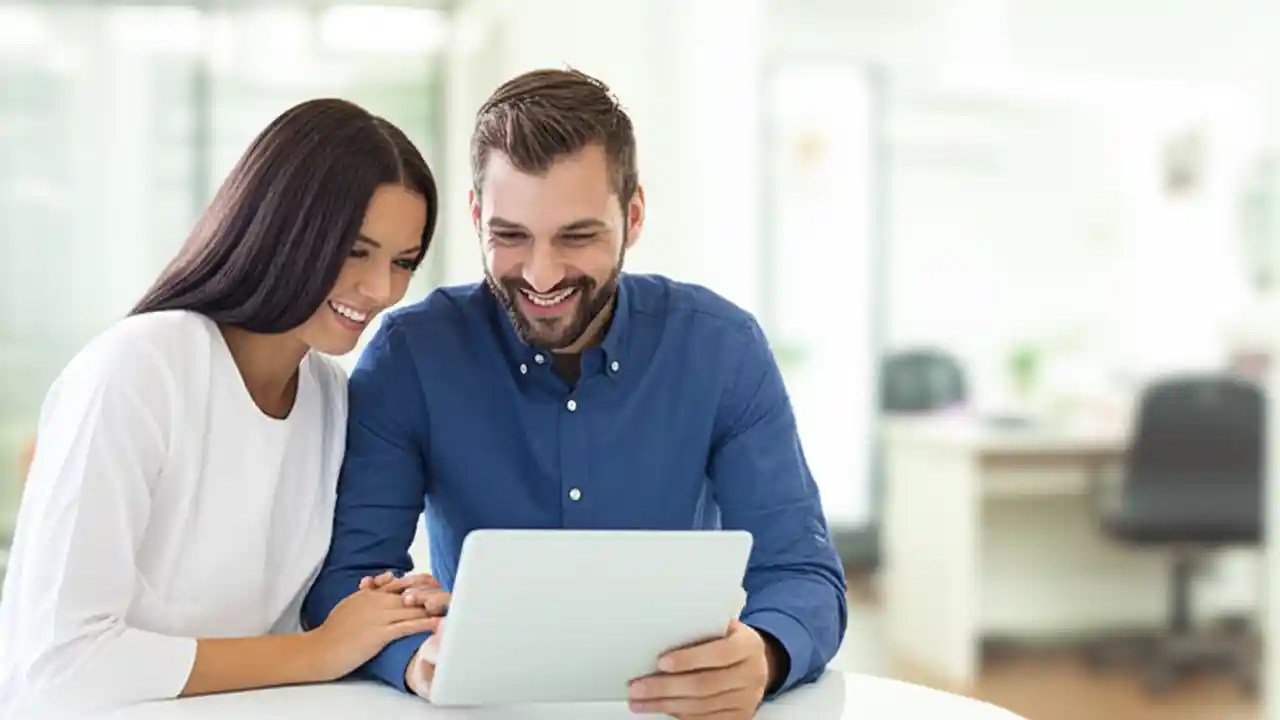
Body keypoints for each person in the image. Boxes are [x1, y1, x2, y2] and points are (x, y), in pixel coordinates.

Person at [304, 68, 848, 719]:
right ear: (476, 215)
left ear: (634, 216)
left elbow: (803, 574)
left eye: (577, 236)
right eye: (510, 236)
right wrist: (417, 660)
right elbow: (345, 578)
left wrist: (765, 654)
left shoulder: (722, 350)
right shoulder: (410, 357)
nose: (540, 274)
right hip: (479, 707)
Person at [0, 98, 441, 717]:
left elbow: (278, 624)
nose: (383, 291)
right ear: (284, 229)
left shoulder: (331, 398)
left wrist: (383, 610)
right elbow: (60, 661)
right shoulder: (139, 369)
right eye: (354, 251)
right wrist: (318, 651)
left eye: (402, 262)